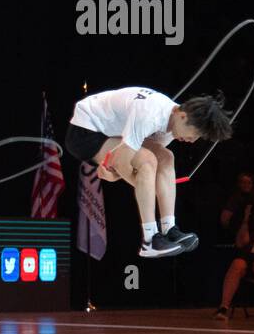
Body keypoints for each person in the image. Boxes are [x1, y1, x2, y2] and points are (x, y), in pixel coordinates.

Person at [65, 87, 232, 258]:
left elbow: (125, 164)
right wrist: (134, 184)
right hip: (85, 131)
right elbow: (124, 164)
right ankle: (150, 240)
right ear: (183, 116)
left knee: (166, 157)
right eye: (194, 134)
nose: (192, 140)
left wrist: (121, 177)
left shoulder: (171, 124)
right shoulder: (150, 114)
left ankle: (169, 229)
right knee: (147, 161)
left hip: (112, 132)